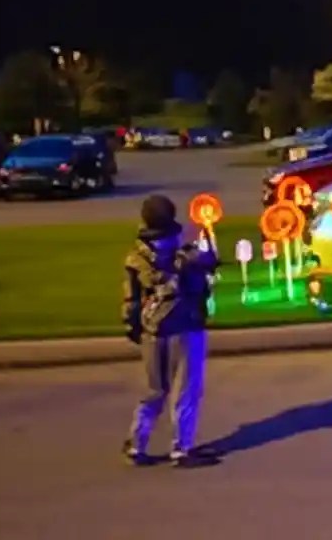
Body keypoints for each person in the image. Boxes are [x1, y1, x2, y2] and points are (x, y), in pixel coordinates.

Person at [122, 194, 220, 468]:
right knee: (187, 388)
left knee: (155, 389)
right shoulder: (184, 252)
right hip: (186, 323)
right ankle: (181, 447)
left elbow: (130, 298)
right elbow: (212, 261)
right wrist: (207, 230)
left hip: (152, 329)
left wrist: (132, 326)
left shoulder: (135, 257)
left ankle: (136, 442)